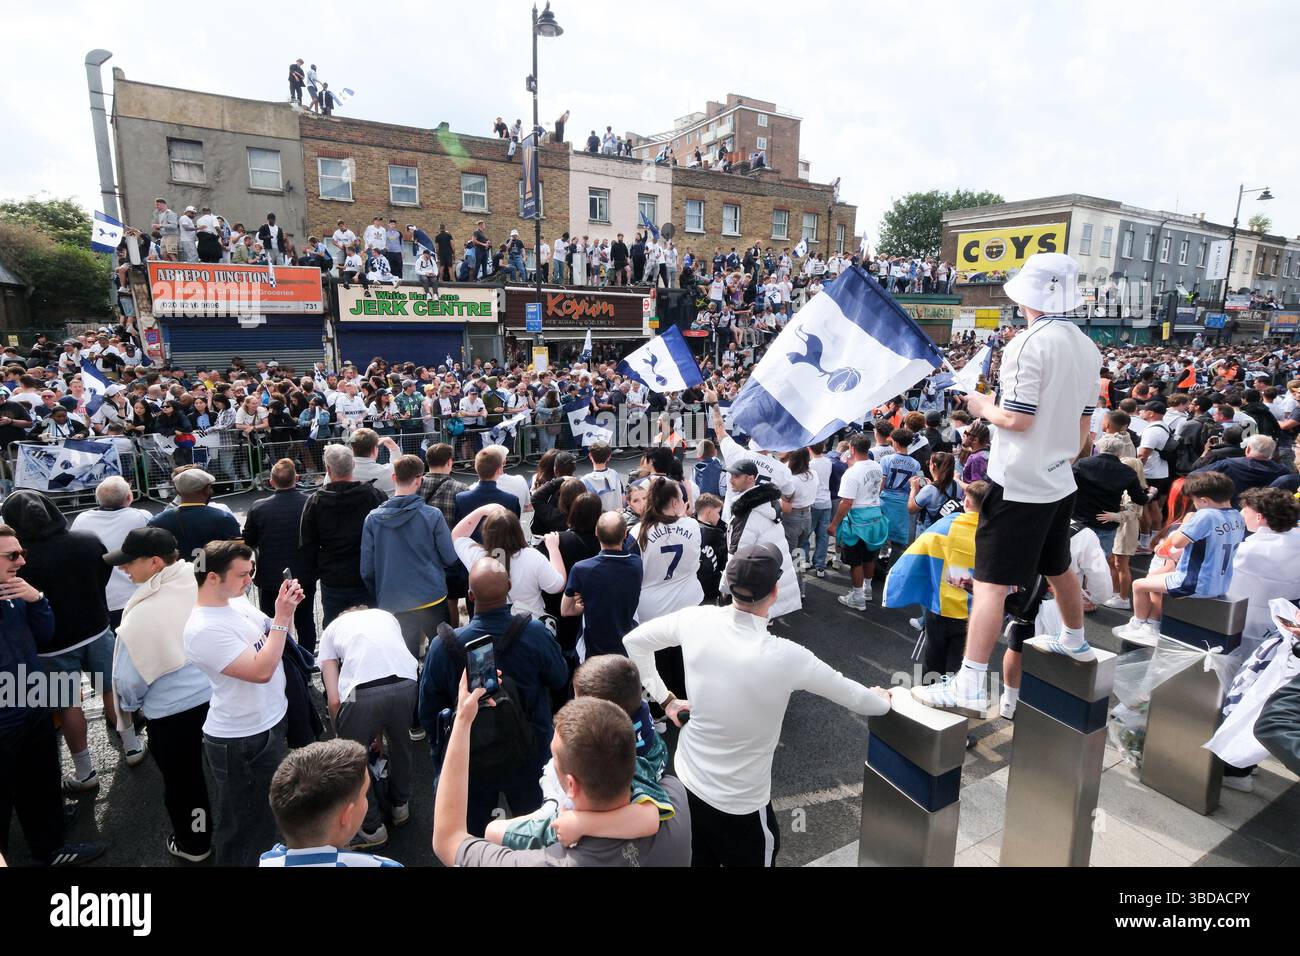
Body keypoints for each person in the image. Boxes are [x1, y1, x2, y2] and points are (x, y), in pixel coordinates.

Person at [913, 253, 1101, 716]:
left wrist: (981, 406)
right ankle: (1075, 640)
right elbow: (1082, 430)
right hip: (1058, 480)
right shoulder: (1087, 346)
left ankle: (971, 682)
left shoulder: (1026, 344)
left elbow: (1015, 419)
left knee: (991, 584)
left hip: (1018, 483)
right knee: (1057, 564)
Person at [623, 543, 891, 866]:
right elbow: (855, 697)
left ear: (729, 584)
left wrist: (665, 698)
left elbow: (633, 642)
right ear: (775, 591)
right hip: (741, 806)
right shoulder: (786, 657)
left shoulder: (695, 620)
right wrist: (884, 700)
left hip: (687, 782)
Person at [419, 557, 568, 836]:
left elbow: (427, 709)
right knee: (534, 828)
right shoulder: (534, 633)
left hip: (470, 759)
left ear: (470, 595)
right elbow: (560, 678)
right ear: (509, 587)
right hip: (528, 751)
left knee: (475, 835)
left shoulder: (443, 645)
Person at [2, 490, 134, 794]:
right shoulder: (86, 539)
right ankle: (132, 746)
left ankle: (85, 770)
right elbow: (102, 574)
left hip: (50, 646)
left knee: (68, 703)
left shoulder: (18, 559)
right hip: (96, 628)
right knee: (111, 688)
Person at [184, 540, 305, 867]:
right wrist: (281, 615)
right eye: (242, 574)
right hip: (240, 740)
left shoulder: (235, 602)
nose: (249, 580)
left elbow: (279, 643)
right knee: (242, 823)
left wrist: (285, 611)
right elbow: (263, 669)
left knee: (267, 812)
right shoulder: (202, 629)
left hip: (268, 723)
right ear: (212, 577)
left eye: (250, 572)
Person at [0, 524, 107, 867]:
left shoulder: (16, 591)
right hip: (6, 712)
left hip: (31, 695)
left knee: (42, 773)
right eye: (12, 555)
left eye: (22, 553)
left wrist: (38, 599)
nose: (21, 561)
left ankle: (50, 843)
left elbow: (45, 635)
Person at [106, 527, 213, 862]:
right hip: (218, 697)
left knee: (185, 783)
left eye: (128, 561)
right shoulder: (196, 582)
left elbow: (128, 682)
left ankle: (195, 844)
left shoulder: (141, 613)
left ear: (153, 563)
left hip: (172, 713)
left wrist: (132, 708)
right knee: (224, 773)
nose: (122, 568)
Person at [317, 608, 419, 849]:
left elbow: (334, 699)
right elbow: (384, 668)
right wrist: (378, 734)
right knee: (401, 744)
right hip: (406, 682)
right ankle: (400, 806)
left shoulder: (331, 630)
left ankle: (372, 827)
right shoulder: (386, 616)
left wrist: (341, 736)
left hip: (358, 693)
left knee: (354, 759)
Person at [1113, 471, 1245, 647]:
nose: (1194, 506)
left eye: (1195, 501)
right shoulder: (1237, 516)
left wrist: (1187, 522)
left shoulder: (1206, 515)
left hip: (1194, 581)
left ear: (1204, 501)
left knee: (1139, 585)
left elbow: (1178, 542)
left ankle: (1141, 624)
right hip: (1219, 582)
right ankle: (1151, 623)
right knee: (1154, 582)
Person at [361, 454, 457, 659]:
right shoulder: (432, 515)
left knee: (405, 657)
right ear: (419, 479)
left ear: (394, 477)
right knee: (445, 653)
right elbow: (449, 557)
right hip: (431, 594)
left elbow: (367, 569)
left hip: (394, 598)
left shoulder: (372, 519)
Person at [260, 739, 402, 867]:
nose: (366, 799)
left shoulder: (267, 860)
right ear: (346, 816)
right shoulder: (383, 865)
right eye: (364, 794)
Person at [300, 445, 389, 627]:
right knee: (370, 628)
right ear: (353, 465)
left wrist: (320, 570)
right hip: (367, 574)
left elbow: (307, 544)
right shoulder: (374, 495)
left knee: (334, 629)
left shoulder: (315, 501)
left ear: (328, 469)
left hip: (333, 577)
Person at [242, 459, 318, 653]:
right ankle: (307, 665)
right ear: (297, 478)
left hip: (270, 576)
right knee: (305, 620)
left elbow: (249, 538)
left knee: (271, 623)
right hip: (304, 573)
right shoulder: (310, 501)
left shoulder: (259, 507)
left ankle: (278, 664)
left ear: (271, 481)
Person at [451, 505, 565, 618]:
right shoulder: (533, 557)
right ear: (518, 530)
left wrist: (482, 511)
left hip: (491, 627)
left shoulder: (478, 559)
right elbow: (557, 586)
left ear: (486, 533)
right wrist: (553, 549)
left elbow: (457, 535)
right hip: (530, 624)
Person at [1225, 487, 1300, 654]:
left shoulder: (1247, 550)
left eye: (1245, 511)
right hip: (1286, 623)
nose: (1241, 514)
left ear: (1259, 517)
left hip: (1246, 625)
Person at [723, 460, 801, 619]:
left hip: (757, 583)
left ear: (751, 478)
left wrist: (725, 587)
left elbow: (737, 555)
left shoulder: (747, 513)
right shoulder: (769, 503)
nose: (731, 480)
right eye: (730, 475)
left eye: (736, 476)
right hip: (772, 576)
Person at [70, 477, 151, 630]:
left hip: (97, 597)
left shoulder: (81, 519)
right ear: (129, 497)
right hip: (134, 596)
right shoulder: (141, 516)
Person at [562, 512, 642, 662]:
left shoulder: (581, 569)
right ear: (625, 534)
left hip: (593, 649)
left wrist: (587, 604)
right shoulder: (637, 564)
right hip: (627, 645)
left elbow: (565, 610)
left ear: (596, 532)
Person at [828, 434, 888, 610]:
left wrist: (834, 524)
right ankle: (867, 589)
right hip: (875, 516)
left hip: (857, 520)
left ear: (852, 450)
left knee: (856, 561)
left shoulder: (852, 472)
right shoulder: (877, 466)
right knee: (869, 557)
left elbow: (846, 502)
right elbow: (881, 486)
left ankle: (857, 597)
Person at [147, 469, 241, 562]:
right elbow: (239, 555)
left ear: (178, 492)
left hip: (176, 576)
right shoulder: (224, 518)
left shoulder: (157, 522)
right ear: (207, 489)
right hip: (215, 575)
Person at [1190, 434, 1289, 507]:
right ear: (1271, 453)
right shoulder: (1283, 471)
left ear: (1248, 449)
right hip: (1264, 516)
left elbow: (1194, 475)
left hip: (1230, 513)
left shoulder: (1227, 464)